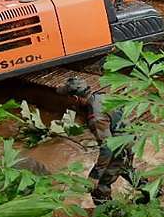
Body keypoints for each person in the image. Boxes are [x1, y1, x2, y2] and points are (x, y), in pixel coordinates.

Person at [57, 76, 145, 205]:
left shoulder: (96, 117)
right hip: (129, 139)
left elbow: (107, 147)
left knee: (99, 187)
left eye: (68, 98)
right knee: (125, 169)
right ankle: (153, 192)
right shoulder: (101, 97)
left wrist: (95, 175)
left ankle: (108, 216)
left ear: (75, 98)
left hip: (118, 147)